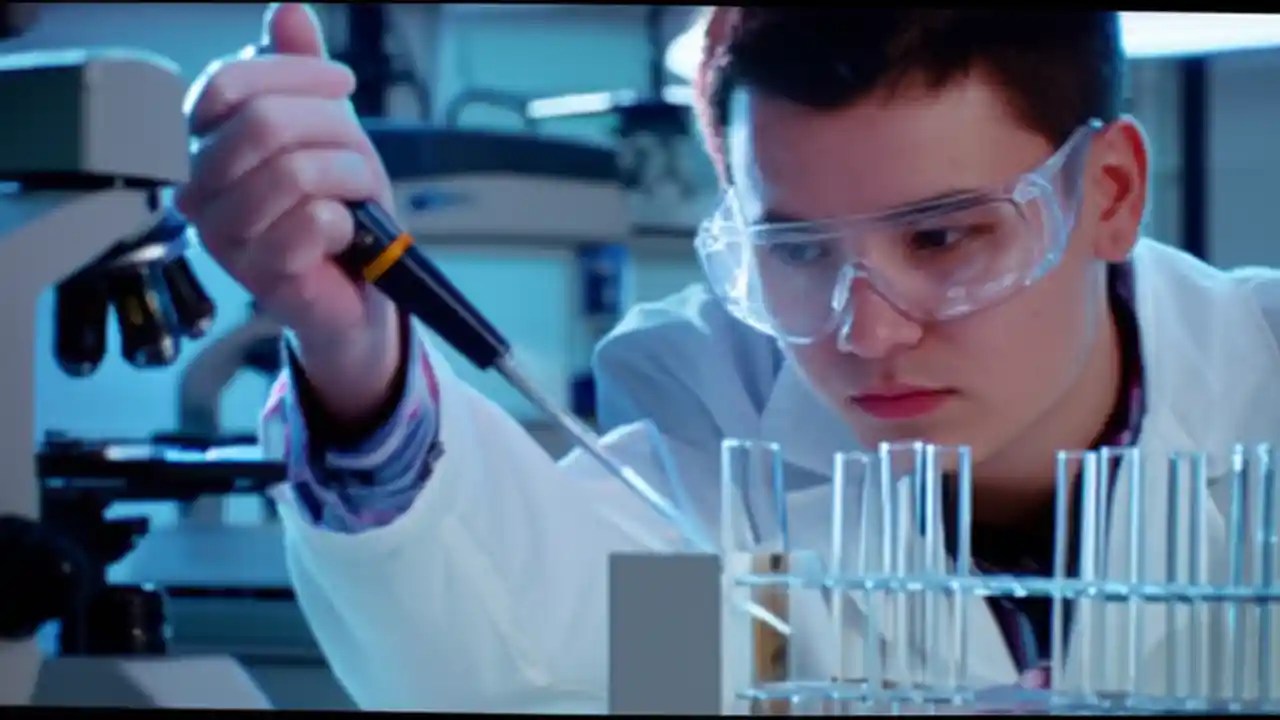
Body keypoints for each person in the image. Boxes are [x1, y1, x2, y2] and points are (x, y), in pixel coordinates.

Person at [179, 3, 1280, 712]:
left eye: (942, 238)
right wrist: (351, 344)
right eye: (794, 250)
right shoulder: (714, 461)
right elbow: (532, 668)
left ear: (1109, 196)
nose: (866, 332)